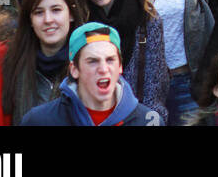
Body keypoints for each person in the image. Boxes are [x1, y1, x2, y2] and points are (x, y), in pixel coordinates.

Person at [0, 0, 79, 126]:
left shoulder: (88, 61)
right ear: (30, 20)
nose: (48, 19)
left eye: (56, 10)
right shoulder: (8, 59)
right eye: (39, 12)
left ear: (71, 14)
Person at [21, 22, 153, 127]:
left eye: (110, 60)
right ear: (74, 69)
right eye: (93, 61)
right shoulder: (38, 121)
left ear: (120, 66)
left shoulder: (147, 120)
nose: (103, 69)